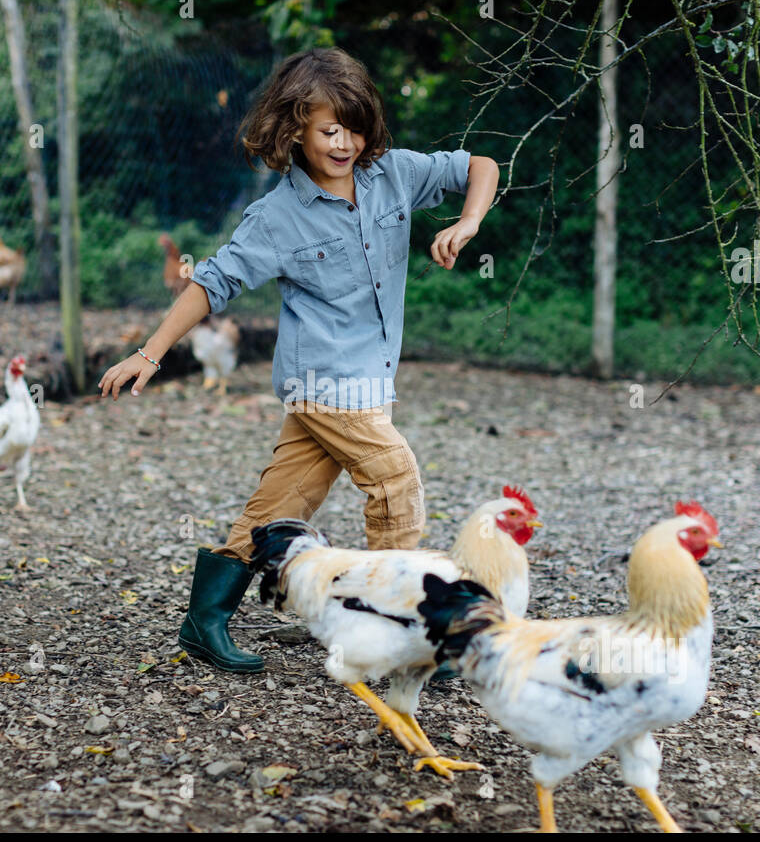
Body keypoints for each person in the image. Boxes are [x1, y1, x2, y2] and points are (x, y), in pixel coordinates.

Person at [99, 47, 499, 673]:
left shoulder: (394, 174)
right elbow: (213, 281)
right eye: (327, 129)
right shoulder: (276, 217)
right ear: (295, 130)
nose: (344, 142)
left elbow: (479, 164)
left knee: (280, 506)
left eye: (355, 125)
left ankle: (204, 620)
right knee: (395, 480)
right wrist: (150, 353)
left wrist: (469, 221)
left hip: (373, 380)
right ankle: (400, 627)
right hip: (323, 384)